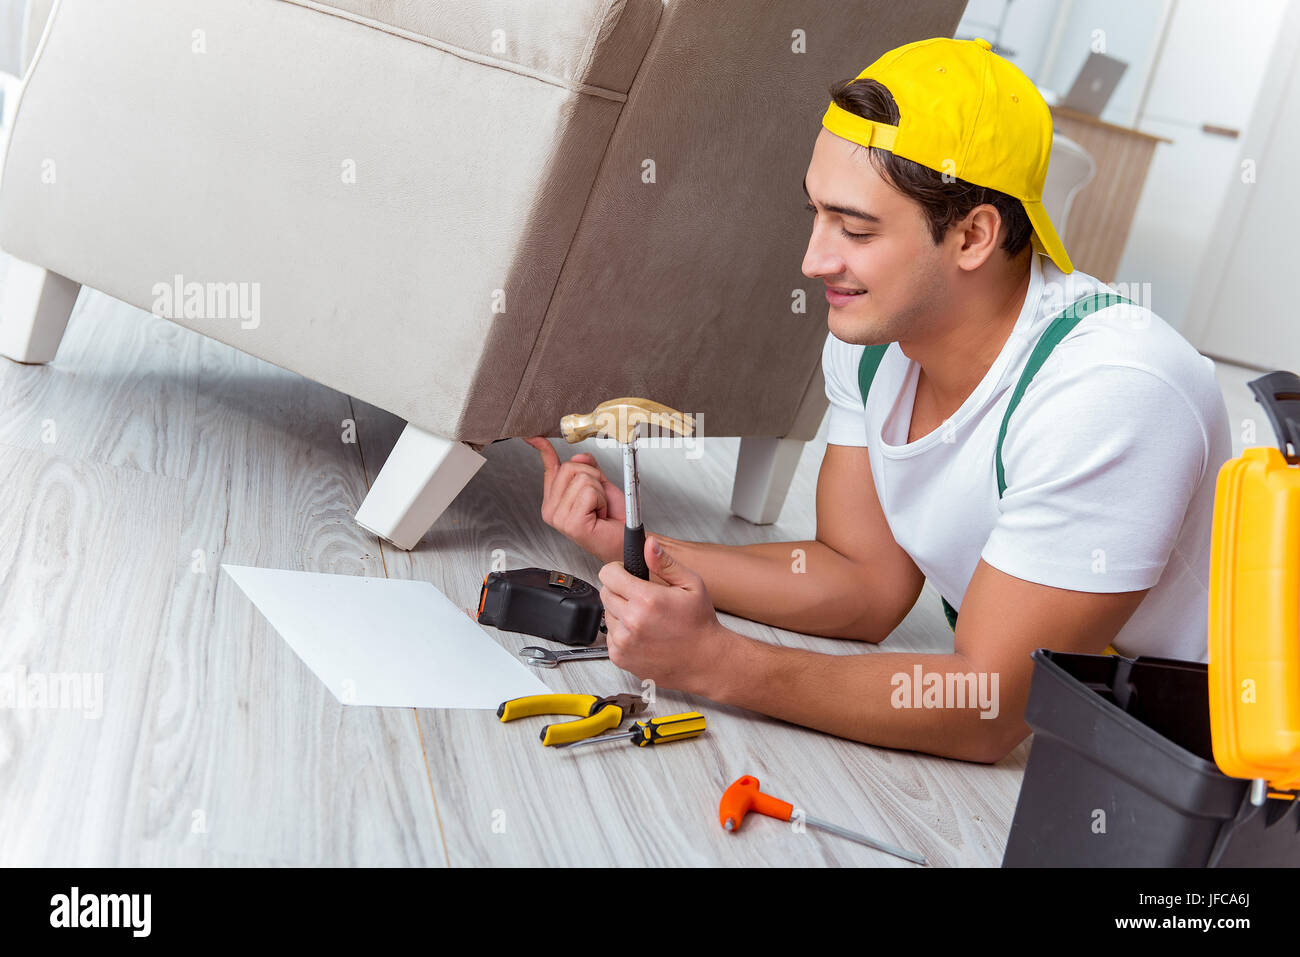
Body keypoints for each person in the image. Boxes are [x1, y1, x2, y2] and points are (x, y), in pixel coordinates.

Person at [525, 37, 1230, 763]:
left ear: (974, 236)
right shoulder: (878, 342)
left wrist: (717, 662)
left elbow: (984, 707)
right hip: (1092, 732)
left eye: (856, 229)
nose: (813, 260)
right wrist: (640, 546)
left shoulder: (1110, 389)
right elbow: (860, 580)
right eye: (817, 214)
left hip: (1217, 757)